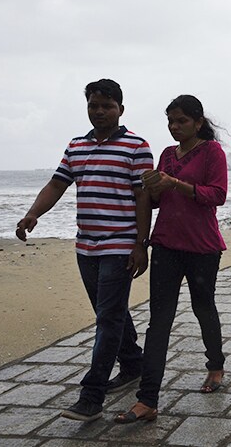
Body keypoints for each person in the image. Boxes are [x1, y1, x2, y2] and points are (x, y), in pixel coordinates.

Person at [16, 79, 151, 422]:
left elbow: (143, 198)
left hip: (120, 245)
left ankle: (91, 396)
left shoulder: (137, 146)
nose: (99, 111)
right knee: (111, 311)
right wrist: (33, 213)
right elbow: (57, 183)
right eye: (93, 105)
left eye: (107, 105)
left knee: (108, 317)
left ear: (121, 108)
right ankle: (133, 363)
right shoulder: (76, 146)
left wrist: (140, 244)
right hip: (85, 245)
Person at [115, 94, 229, 424]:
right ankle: (147, 399)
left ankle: (215, 364)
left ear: (197, 122)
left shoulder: (212, 152)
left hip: (202, 247)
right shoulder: (166, 155)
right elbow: (155, 201)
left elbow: (217, 196)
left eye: (180, 121)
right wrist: (151, 187)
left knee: (203, 307)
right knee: (159, 320)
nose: (174, 126)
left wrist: (174, 183)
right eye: (170, 121)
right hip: (165, 245)